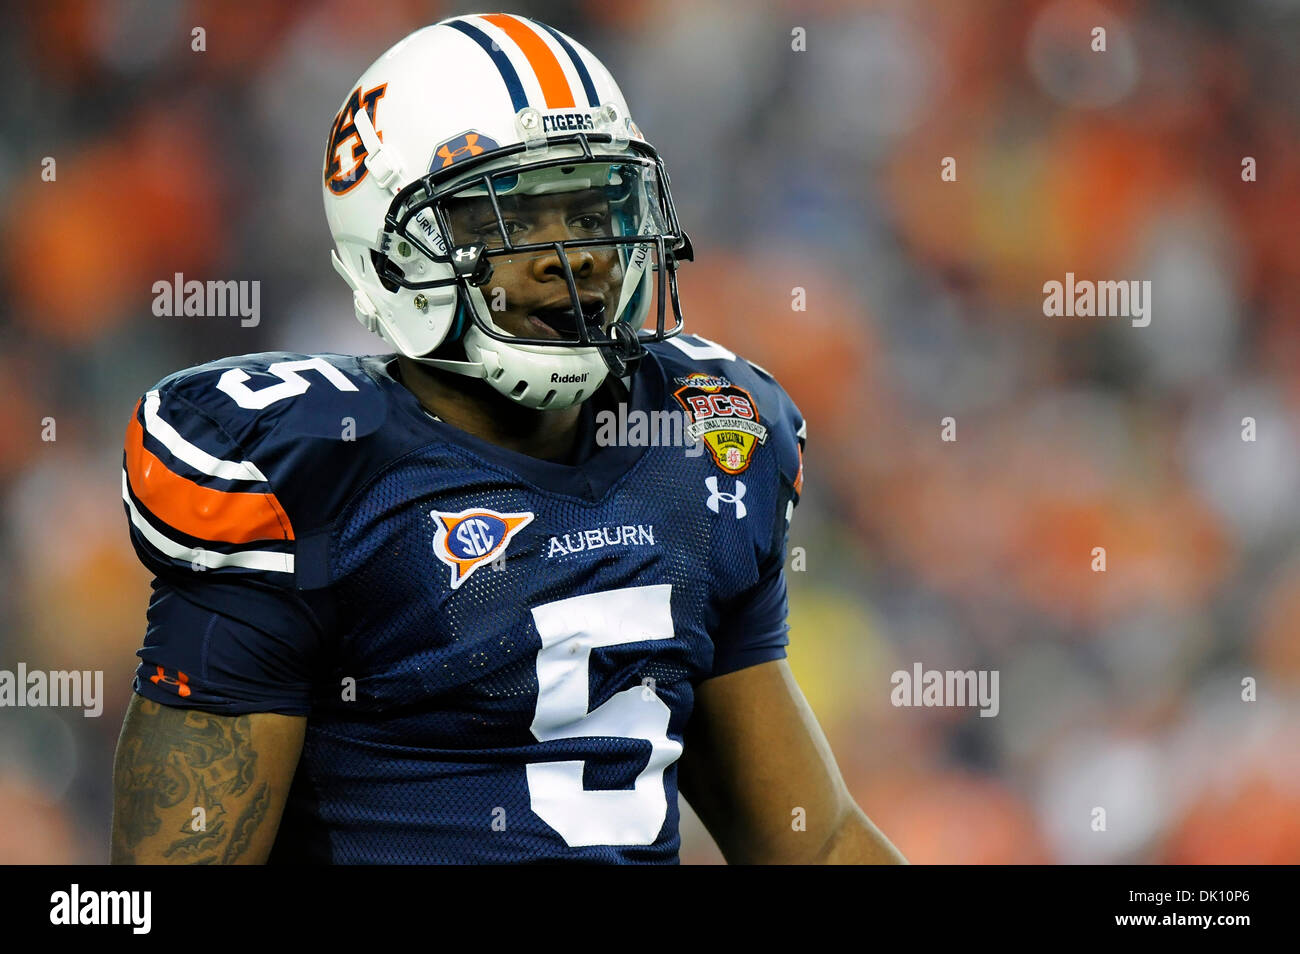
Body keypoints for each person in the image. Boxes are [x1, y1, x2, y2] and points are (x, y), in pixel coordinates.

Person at [110, 13, 905, 865]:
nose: (581, 257)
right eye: (517, 219)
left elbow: (813, 842)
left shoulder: (699, 441)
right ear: (393, 249)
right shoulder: (311, 473)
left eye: (594, 206)